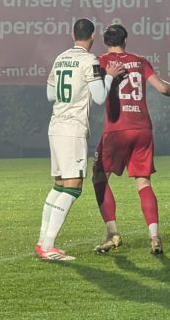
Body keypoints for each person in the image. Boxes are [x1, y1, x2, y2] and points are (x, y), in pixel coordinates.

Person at [90, 24, 170, 256]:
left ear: (105, 41)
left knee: (99, 176)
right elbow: (162, 88)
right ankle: (154, 236)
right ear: (126, 40)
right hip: (142, 128)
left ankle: (112, 233)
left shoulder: (101, 61)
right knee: (143, 183)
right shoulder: (140, 61)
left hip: (116, 128)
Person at [36, 18, 123, 262]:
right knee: (73, 187)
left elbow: (50, 94)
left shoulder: (60, 58)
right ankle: (49, 245)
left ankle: (43, 242)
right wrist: (109, 77)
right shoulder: (89, 60)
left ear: (72, 34)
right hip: (72, 128)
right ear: (92, 36)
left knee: (59, 185)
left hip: (56, 125)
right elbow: (98, 97)